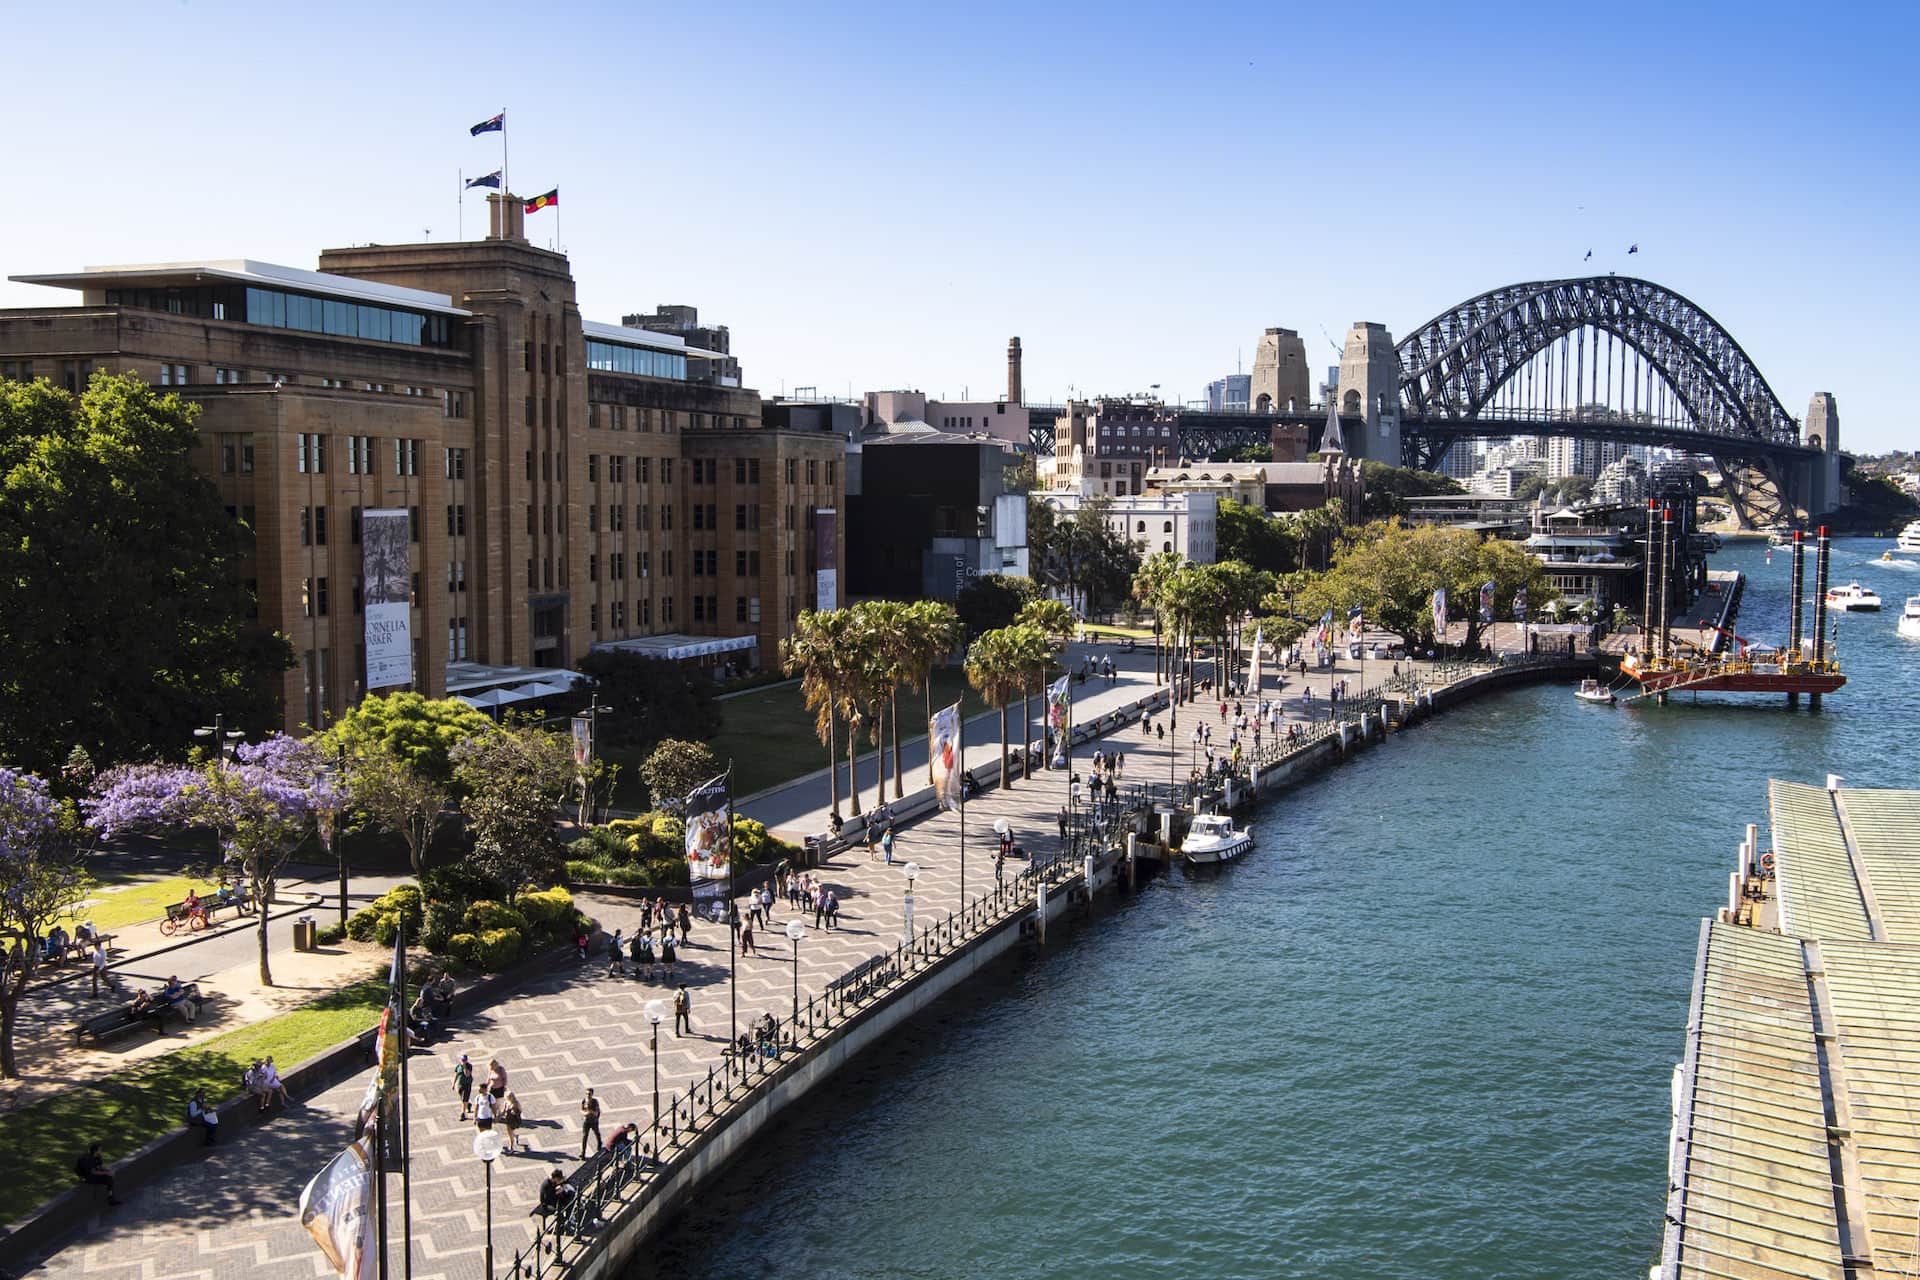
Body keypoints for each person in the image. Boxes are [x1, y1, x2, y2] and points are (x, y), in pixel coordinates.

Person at [579, 1088, 602, 1157]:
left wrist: (590, 1111)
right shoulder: (584, 1101)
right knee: (585, 1136)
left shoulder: (595, 1102)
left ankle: (599, 1144)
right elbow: (581, 1110)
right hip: (586, 1121)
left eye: (589, 1094)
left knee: (596, 1133)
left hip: (594, 1121)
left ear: (592, 1094)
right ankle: (583, 1153)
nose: (588, 1095)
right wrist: (584, 1113)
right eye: (586, 1094)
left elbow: (596, 1113)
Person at [453, 1053, 474, 1120]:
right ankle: (468, 1104)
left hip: (467, 1085)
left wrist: (464, 1067)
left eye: (464, 1060)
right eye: (462, 1060)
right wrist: (453, 1084)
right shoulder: (458, 1066)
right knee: (462, 1097)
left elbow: (467, 1075)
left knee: (463, 1099)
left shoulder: (469, 1066)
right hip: (460, 1084)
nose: (463, 1061)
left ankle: (463, 1114)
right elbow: (456, 1075)